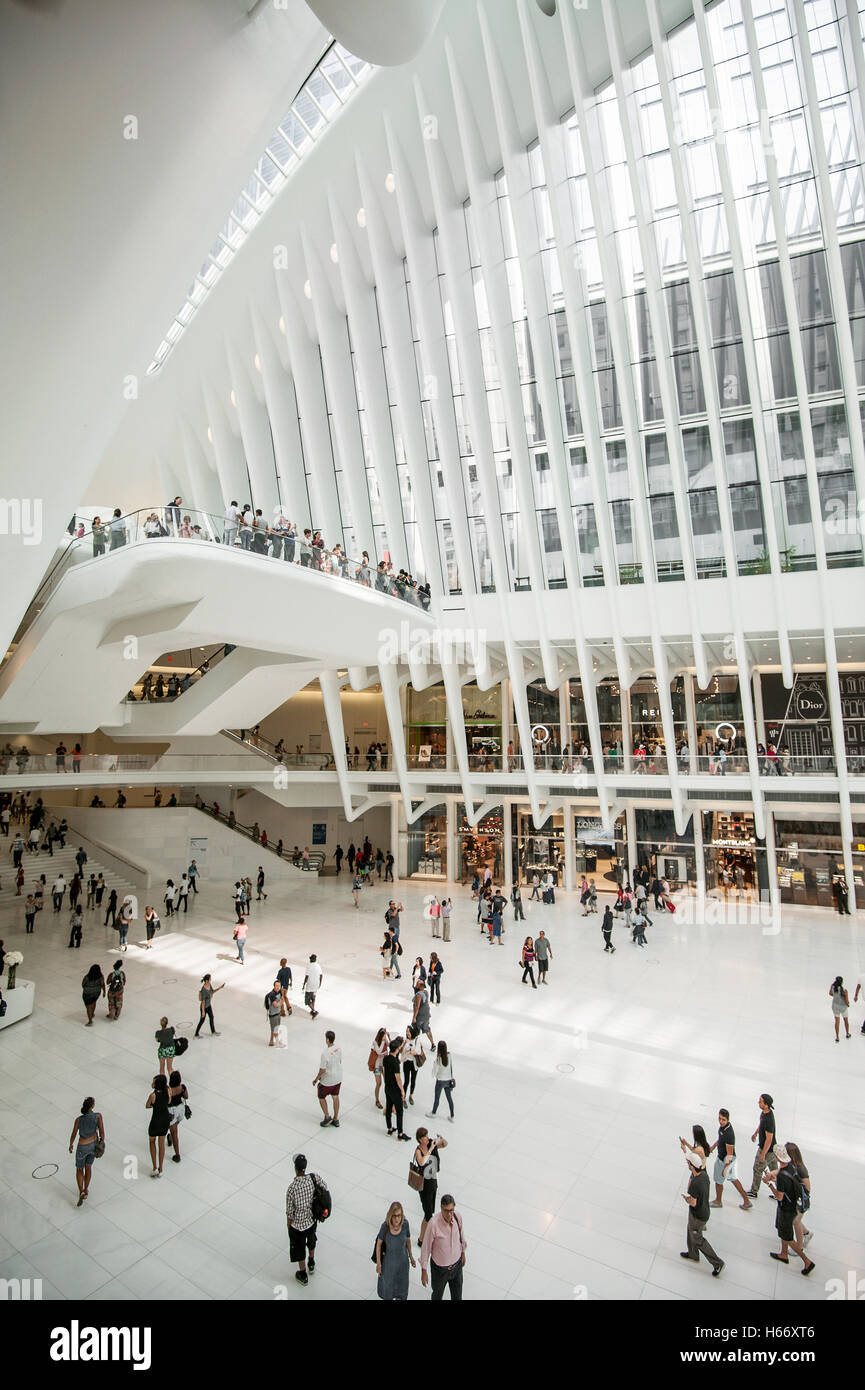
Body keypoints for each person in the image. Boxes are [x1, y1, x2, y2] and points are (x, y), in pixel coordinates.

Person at [762, 1146, 815, 1274]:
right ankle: (783, 1253)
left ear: (777, 1157)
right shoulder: (791, 1168)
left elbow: (779, 1197)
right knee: (783, 1232)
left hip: (785, 1209)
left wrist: (769, 1185)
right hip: (792, 1206)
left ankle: (807, 1261)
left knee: (789, 1237)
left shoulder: (781, 1175)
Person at [679, 1152, 724, 1277]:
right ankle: (692, 1253)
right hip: (704, 1210)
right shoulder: (704, 1175)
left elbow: (693, 1202)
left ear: (692, 1166)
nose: (687, 1164)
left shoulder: (695, 1184)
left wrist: (686, 1199)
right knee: (690, 1229)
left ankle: (717, 1262)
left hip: (698, 1215)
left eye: (688, 1163)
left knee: (698, 1239)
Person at [285, 1153, 323, 1286]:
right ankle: (311, 1262)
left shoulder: (292, 1189)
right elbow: (324, 1188)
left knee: (299, 1248)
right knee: (311, 1240)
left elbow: (290, 1213)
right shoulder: (314, 1178)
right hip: (311, 1220)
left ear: (295, 1168)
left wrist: (289, 1227)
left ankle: (302, 1273)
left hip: (298, 1226)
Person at [420, 1193, 466, 1300]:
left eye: (451, 1210)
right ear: (441, 1208)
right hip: (440, 1270)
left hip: (457, 1266)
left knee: (457, 1297)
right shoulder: (433, 1224)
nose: (449, 1214)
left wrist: (463, 1252)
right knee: (437, 1296)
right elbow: (426, 1248)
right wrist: (424, 1270)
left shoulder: (457, 1217)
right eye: (446, 1211)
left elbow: (461, 1236)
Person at [707, 1108, 753, 1211]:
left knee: (719, 1181)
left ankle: (718, 1201)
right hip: (725, 1159)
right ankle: (746, 1200)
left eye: (723, 1119)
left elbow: (730, 1153)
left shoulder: (729, 1134)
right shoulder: (723, 1129)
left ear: (728, 1120)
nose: (720, 1121)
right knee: (733, 1179)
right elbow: (720, 1139)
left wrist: (726, 1167)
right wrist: (713, 1147)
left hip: (726, 1160)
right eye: (719, 1118)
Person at [375, 1200, 416, 1301]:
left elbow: (408, 1240)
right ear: (390, 1215)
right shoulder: (385, 1227)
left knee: (401, 1292)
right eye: (394, 1216)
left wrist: (411, 1256)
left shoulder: (405, 1224)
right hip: (388, 1266)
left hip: (402, 1265)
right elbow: (379, 1245)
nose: (397, 1218)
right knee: (388, 1292)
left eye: (399, 1215)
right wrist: (379, 1264)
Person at [69, 1097, 104, 1207]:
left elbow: (74, 1133)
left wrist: (71, 1144)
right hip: (93, 1146)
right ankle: (86, 1188)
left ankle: (81, 1191)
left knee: (80, 1169)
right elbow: (102, 1133)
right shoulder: (98, 1116)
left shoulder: (78, 1120)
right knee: (88, 1167)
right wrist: (102, 1143)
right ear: (92, 1106)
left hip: (82, 1146)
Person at [748, 1093, 777, 1200]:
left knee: (758, 1168)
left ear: (766, 1104)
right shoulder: (764, 1113)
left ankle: (754, 1191)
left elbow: (769, 1139)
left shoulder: (769, 1120)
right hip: (772, 1150)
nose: (758, 1103)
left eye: (760, 1101)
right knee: (775, 1170)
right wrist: (756, 1133)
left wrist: (763, 1154)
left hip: (767, 1149)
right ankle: (780, 1192)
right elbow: (761, 1124)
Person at [383, 1036, 411, 1140]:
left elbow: (385, 1071)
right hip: (395, 1089)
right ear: (397, 1049)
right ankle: (400, 1134)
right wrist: (402, 1091)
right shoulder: (395, 1063)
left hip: (387, 1087)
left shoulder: (386, 1058)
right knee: (399, 1112)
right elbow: (398, 1078)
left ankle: (390, 1129)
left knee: (389, 1108)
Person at [313, 1030, 342, 1127]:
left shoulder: (325, 1054)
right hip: (338, 1078)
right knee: (335, 1096)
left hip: (327, 1081)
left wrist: (316, 1079)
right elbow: (340, 1061)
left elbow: (322, 1069)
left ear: (327, 1040)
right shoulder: (338, 1048)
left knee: (321, 1097)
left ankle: (327, 1117)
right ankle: (336, 1118)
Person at [146, 1074, 171, 1179]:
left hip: (156, 1120)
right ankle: (161, 1168)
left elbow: (147, 1105)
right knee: (161, 1144)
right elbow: (169, 1101)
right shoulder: (168, 1091)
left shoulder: (153, 1095)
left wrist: (154, 1105)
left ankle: (154, 1167)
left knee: (152, 1141)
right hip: (165, 1119)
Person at [428, 1040, 455, 1122]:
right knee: (449, 1098)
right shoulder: (449, 1055)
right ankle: (452, 1115)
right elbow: (450, 1067)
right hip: (448, 1080)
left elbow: (434, 1073)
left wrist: (434, 1064)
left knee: (437, 1098)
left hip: (440, 1081)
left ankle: (433, 1113)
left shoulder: (438, 1059)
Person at [166, 1070, 189, 1163]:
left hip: (171, 1111)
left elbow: (167, 1101)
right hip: (180, 1109)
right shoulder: (182, 1087)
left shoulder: (168, 1090)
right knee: (175, 1126)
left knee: (174, 1132)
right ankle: (170, 1137)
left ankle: (177, 1154)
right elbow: (186, 1096)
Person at [400, 1024, 426, 1106]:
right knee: (406, 1081)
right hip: (407, 1062)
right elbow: (401, 1052)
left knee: (413, 1080)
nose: (407, 1033)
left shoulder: (417, 1040)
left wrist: (409, 1052)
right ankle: (403, 1098)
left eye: (409, 1031)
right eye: (406, 1031)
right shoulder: (405, 1040)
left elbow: (417, 1052)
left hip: (414, 1063)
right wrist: (405, 1044)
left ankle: (411, 1095)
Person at [412, 979, 434, 1049]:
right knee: (427, 1029)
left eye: (418, 984)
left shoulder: (418, 995)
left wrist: (414, 1017)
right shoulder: (426, 992)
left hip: (420, 1015)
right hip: (426, 1014)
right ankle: (433, 1044)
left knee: (415, 1029)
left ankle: (413, 1044)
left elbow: (417, 1007)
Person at [265, 979, 286, 1047]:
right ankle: (278, 1042)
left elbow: (281, 1000)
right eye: (276, 986)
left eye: (279, 986)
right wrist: (281, 1002)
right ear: (274, 986)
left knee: (274, 1028)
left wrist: (280, 1003)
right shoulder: (272, 995)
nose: (278, 987)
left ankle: (271, 1041)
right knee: (275, 1029)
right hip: (273, 1015)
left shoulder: (279, 991)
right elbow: (275, 1005)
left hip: (278, 1013)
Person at [830, 975, 851, 1041]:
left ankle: (837, 1037)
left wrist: (836, 996)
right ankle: (847, 1033)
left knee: (837, 1022)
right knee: (846, 1021)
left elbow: (830, 993)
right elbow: (847, 1001)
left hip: (835, 1006)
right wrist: (848, 1004)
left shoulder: (832, 987)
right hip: (843, 1007)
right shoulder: (844, 990)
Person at [303, 955, 322, 1019]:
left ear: (311, 959)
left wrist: (304, 984)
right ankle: (312, 1010)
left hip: (310, 986)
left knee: (307, 1001)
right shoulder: (318, 965)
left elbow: (307, 976)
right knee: (313, 998)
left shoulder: (309, 966)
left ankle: (314, 1011)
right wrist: (320, 983)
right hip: (316, 985)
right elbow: (321, 975)